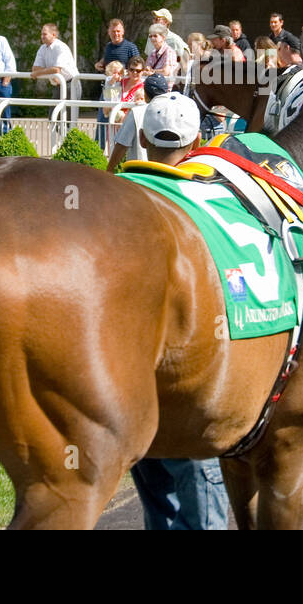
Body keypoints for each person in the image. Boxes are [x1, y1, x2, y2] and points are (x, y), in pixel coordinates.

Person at [123, 91, 229, 529]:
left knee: (156, 491)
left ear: (144, 141)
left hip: (127, 383)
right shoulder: (210, 203)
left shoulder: (119, 195)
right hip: (189, 375)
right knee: (198, 474)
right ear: (198, 140)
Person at [106, 73, 170, 171]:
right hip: (166, 173)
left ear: (145, 93)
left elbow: (121, 145)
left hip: (139, 174)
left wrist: (109, 170)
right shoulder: (174, 111)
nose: (134, 72)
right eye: (132, 69)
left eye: (138, 70)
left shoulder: (136, 112)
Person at [30, 22, 79, 118]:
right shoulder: (42, 48)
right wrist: (48, 71)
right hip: (57, 85)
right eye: (41, 34)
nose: (42, 36)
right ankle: (60, 133)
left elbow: (56, 69)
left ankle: (68, 133)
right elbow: (35, 68)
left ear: (54, 35)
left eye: (44, 34)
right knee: (53, 118)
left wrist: (39, 73)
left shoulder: (61, 47)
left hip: (71, 84)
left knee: (70, 119)